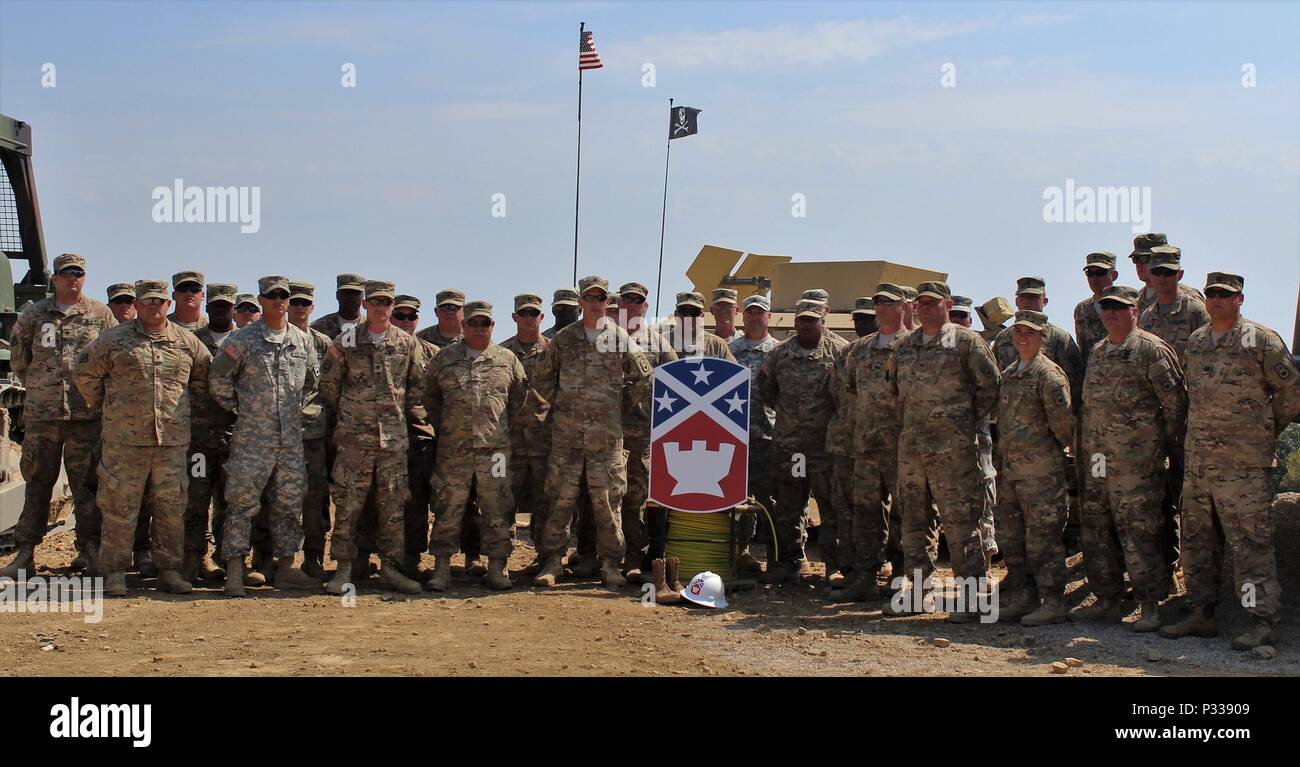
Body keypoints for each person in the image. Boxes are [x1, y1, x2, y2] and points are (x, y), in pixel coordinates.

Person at [1160, 272, 1300, 649]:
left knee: (1249, 544)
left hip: (1244, 466)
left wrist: (1263, 432)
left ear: (1240, 299)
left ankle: (1260, 621)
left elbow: (1291, 394)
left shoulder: (1260, 340)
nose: (1217, 300)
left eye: (1226, 295)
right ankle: (1199, 614)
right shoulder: (1197, 341)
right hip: (1201, 463)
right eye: (1212, 294)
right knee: (1197, 542)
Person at [72, 279, 211, 596]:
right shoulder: (114, 339)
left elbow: (204, 377)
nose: (153, 306)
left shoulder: (186, 342)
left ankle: (169, 570)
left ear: (168, 304)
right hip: (124, 442)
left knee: (170, 508)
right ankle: (115, 573)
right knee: (119, 508)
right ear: (136, 303)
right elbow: (84, 372)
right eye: (146, 301)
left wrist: (188, 410)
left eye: (159, 301)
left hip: (171, 444)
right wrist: (109, 406)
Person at [529, 276, 652, 591]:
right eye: (590, 297)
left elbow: (642, 379)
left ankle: (611, 564)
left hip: (606, 439)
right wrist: (548, 415)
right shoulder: (564, 339)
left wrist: (620, 408)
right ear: (581, 301)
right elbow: (542, 382)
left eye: (601, 297)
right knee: (560, 501)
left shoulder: (621, 338)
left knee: (608, 504)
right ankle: (553, 562)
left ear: (607, 301)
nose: (595, 302)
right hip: (566, 438)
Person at [887, 281, 1001, 621]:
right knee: (913, 522)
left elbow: (991, 387)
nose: (924, 308)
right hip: (913, 450)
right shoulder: (905, 346)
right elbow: (895, 391)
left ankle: (973, 598)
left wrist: (961, 422)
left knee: (962, 522)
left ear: (947, 304)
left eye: (931, 302)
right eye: (919, 303)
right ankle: (920, 592)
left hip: (956, 449)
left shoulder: (966, 342)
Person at [1076, 285, 1186, 631]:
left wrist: (1158, 450)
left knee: (1139, 532)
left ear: (1134, 312)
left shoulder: (1151, 350)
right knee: (1097, 530)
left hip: (1137, 464)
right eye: (1106, 308)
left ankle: (1149, 604)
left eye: (1119, 308)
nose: (1110, 314)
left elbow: (1175, 405)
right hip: (1098, 462)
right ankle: (1107, 599)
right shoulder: (1098, 351)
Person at [2, 253, 116, 579]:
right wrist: (40, 389)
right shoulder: (35, 314)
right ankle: (25, 554)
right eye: (66, 273)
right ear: (55, 278)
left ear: (84, 276)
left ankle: (91, 552)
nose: (73, 278)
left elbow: (110, 359)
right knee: (38, 484)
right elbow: (19, 359)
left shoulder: (100, 315)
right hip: (43, 417)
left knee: (87, 487)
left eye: (78, 272)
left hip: (86, 417)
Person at [209, 276, 322, 596]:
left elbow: (313, 383)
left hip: (289, 440)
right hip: (252, 439)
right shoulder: (242, 340)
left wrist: (297, 412)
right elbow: (218, 380)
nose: (279, 301)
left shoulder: (302, 341)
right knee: (241, 504)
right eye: (272, 296)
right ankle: (234, 570)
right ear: (261, 299)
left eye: (283, 296)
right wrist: (242, 409)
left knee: (288, 505)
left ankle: (285, 568)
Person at [318, 280, 427, 595]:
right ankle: (343, 570)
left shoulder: (407, 344)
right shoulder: (347, 340)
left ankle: (391, 569)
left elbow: (416, 388)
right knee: (349, 506)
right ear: (365, 304)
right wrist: (353, 415)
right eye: (375, 302)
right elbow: (329, 385)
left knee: (393, 506)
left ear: (393, 306)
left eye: (387, 302)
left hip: (393, 442)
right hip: (355, 441)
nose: (381, 308)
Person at [423, 300, 527, 591]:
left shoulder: (507, 359)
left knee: (497, 507)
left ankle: (497, 567)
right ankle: (441, 568)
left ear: (493, 326)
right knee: (448, 506)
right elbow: (430, 399)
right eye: (474, 323)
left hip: (494, 452)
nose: (480, 328)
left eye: (486, 323)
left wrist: (497, 429)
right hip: (453, 450)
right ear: (463, 325)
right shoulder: (443, 359)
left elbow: (518, 401)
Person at [994, 311, 1075, 625]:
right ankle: (1024, 596)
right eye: (1018, 333)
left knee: (1044, 539)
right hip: (1013, 472)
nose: (1022, 338)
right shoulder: (1011, 373)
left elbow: (1064, 426)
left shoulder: (1049, 375)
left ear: (1042, 338)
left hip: (1041, 473)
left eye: (1029, 333)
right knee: (1013, 538)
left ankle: (1053, 601)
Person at [829, 285, 907, 603]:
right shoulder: (858, 350)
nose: (882, 308)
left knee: (907, 513)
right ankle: (865, 575)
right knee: (866, 512)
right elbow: (846, 388)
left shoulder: (912, 346)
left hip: (902, 446)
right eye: (878, 303)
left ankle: (903, 575)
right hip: (866, 445)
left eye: (889, 303)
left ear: (904, 307)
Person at [755, 300, 842, 584]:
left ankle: (835, 566)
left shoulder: (839, 352)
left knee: (831, 507)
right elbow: (766, 391)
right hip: (791, 449)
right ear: (795, 321)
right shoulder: (779, 354)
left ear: (822, 321)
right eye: (801, 319)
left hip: (823, 449)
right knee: (789, 505)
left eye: (811, 320)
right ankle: (788, 563)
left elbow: (846, 397)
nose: (805, 324)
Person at [616, 282, 677, 578]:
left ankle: (637, 557)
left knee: (637, 498)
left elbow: (677, 386)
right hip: (606, 434)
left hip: (642, 435)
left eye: (637, 301)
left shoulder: (659, 345)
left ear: (645, 307)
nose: (631, 304)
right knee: (604, 499)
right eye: (625, 299)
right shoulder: (602, 338)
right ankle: (601, 555)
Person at [180, 283, 240, 583]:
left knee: (231, 503)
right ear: (207, 308)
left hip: (235, 438)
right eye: (215, 305)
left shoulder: (245, 341)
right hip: (199, 440)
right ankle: (193, 560)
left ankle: (231, 563)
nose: (220, 310)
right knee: (195, 500)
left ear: (233, 309)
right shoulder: (192, 341)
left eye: (226, 306)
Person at [501, 294, 553, 570]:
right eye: (524, 314)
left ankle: (545, 560)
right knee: (505, 499)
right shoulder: (502, 353)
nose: (530, 318)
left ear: (542, 318)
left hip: (545, 440)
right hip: (512, 441)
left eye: (534, 314)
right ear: (515, 318)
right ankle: (500, 561)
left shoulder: (555, 350)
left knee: (546, 502)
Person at [288, 280, 334, 579]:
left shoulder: (323, 343)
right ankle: (274, 560)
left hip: (315, 435)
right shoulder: (271, 338)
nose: (300, 308)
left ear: (313, 307)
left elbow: (333, 387)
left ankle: (313, 557)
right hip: (276, 434)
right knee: (279, 500)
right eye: (295, 302)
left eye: (305, 303)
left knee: (316, 499)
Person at [729, 295, 779, 574]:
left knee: (769, 500)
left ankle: (777, 558)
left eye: (760, 313)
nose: (754, 317)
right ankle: (739, 553)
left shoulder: (779, 352)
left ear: (768, 316)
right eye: (749, 313)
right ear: (742, 316)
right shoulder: (728, 350)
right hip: (733, 438)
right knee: (736, 500)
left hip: (767, 438)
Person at [392, 295, 441, 578]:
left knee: (417, 500)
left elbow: (440, 395)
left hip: (419, 437)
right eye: (400, 316)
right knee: (382, 499)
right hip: (382, 437)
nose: (406, 322)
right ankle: (372, 558)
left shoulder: (432, 352)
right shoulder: (376, 348)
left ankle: (411, 557)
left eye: (411, 317)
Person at [1074, 251, 1118, 375]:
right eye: (1090, 274)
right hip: (1093, 381)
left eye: (1100, 273)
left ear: (1113, 275)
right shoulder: (1081, 309)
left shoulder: (1127, 305)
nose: (1095, 278)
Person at [662, 291, 736, 361]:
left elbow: (734, 372)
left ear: (702, 316)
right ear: (675, 315)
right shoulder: (661, 343)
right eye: (684, 311)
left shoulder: (717, 345)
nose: (689, 317)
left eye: (695, 312)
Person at [310, 273, 364, 339]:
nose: (350, 297)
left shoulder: (372, 328)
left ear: (362, 296)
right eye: (346, 293)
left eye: (355, 293)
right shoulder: (318, 327)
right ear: (337, 295)